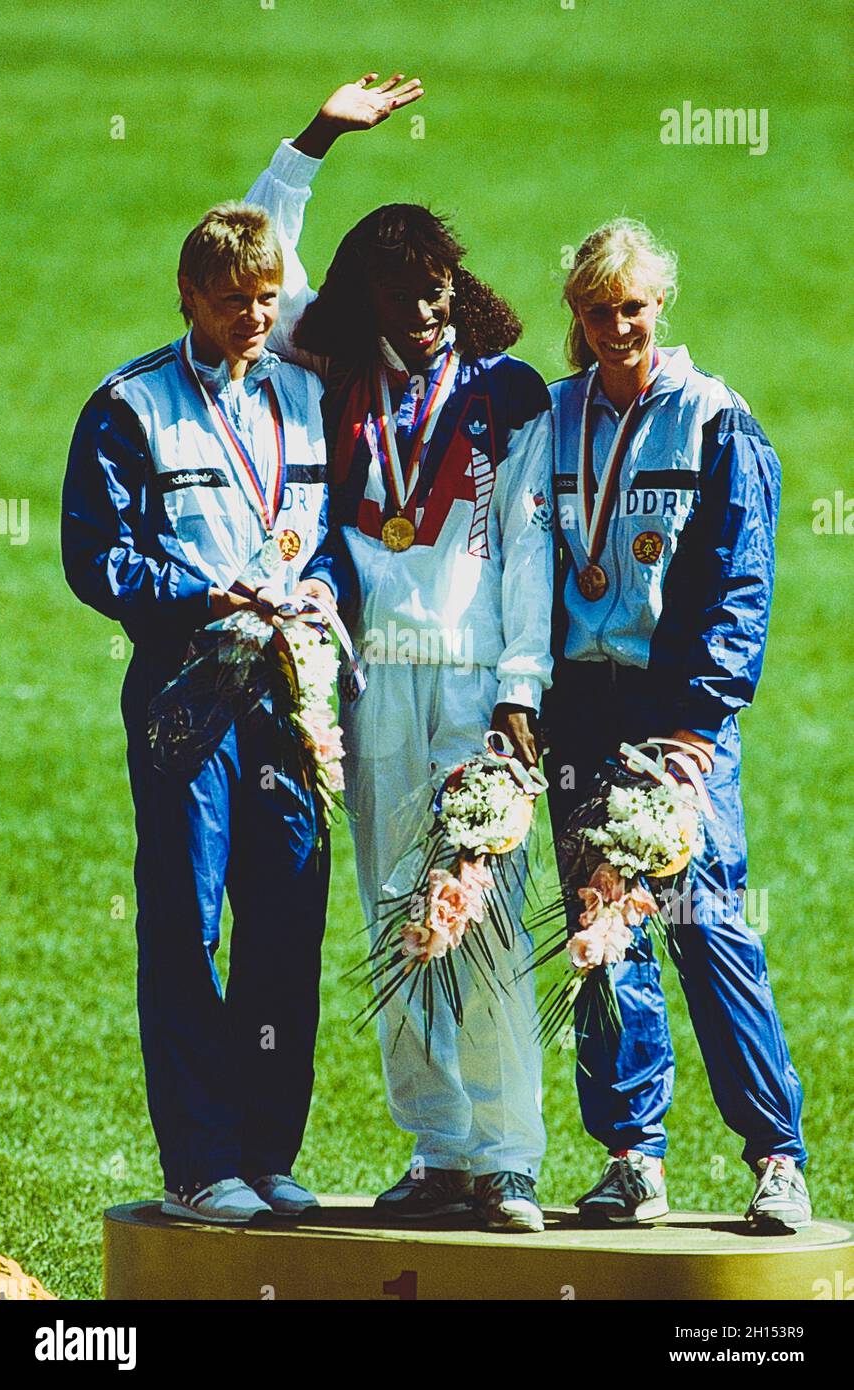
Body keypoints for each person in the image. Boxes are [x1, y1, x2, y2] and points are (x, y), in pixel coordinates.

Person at [244, 76, 555, 1231]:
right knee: (395, 909)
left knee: (484, 905)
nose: (419, 302)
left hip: (478, 687)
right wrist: (315, 140)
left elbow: (527, 556)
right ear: (366, 294)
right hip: (375, 683)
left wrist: (522, 690)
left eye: (433, 285)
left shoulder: (510, 398)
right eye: (395, 285)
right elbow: (259, 262)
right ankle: (436, 1149)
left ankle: (508, 1153)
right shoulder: (330, 376)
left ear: (454, 285)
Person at [62, 200, 351, 1224]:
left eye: (267, 300)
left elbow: (334, 530)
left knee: (288, 913)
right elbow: (94, 554)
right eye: (233, 302)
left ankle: (266, 1152)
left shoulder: (308, 393)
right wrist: (199, 595)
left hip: (287, 690)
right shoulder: (132, 405)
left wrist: (318, 587)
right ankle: (197, 1161)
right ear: (188, 293)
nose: (254, 319)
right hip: (188, 691)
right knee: (188, 919)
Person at [543, 218, 810, 1230]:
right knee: (602, 938)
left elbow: (742, 585)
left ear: (659, 305)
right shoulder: (556, 418)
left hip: (674, 713)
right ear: (575, 311)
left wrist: (699, 722)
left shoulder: (714, 421)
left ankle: (775, 1157)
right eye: (599, 308)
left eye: (634, 308)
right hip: (580, 708)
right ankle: (629, 1157)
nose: (618, 326)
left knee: (707, 927)